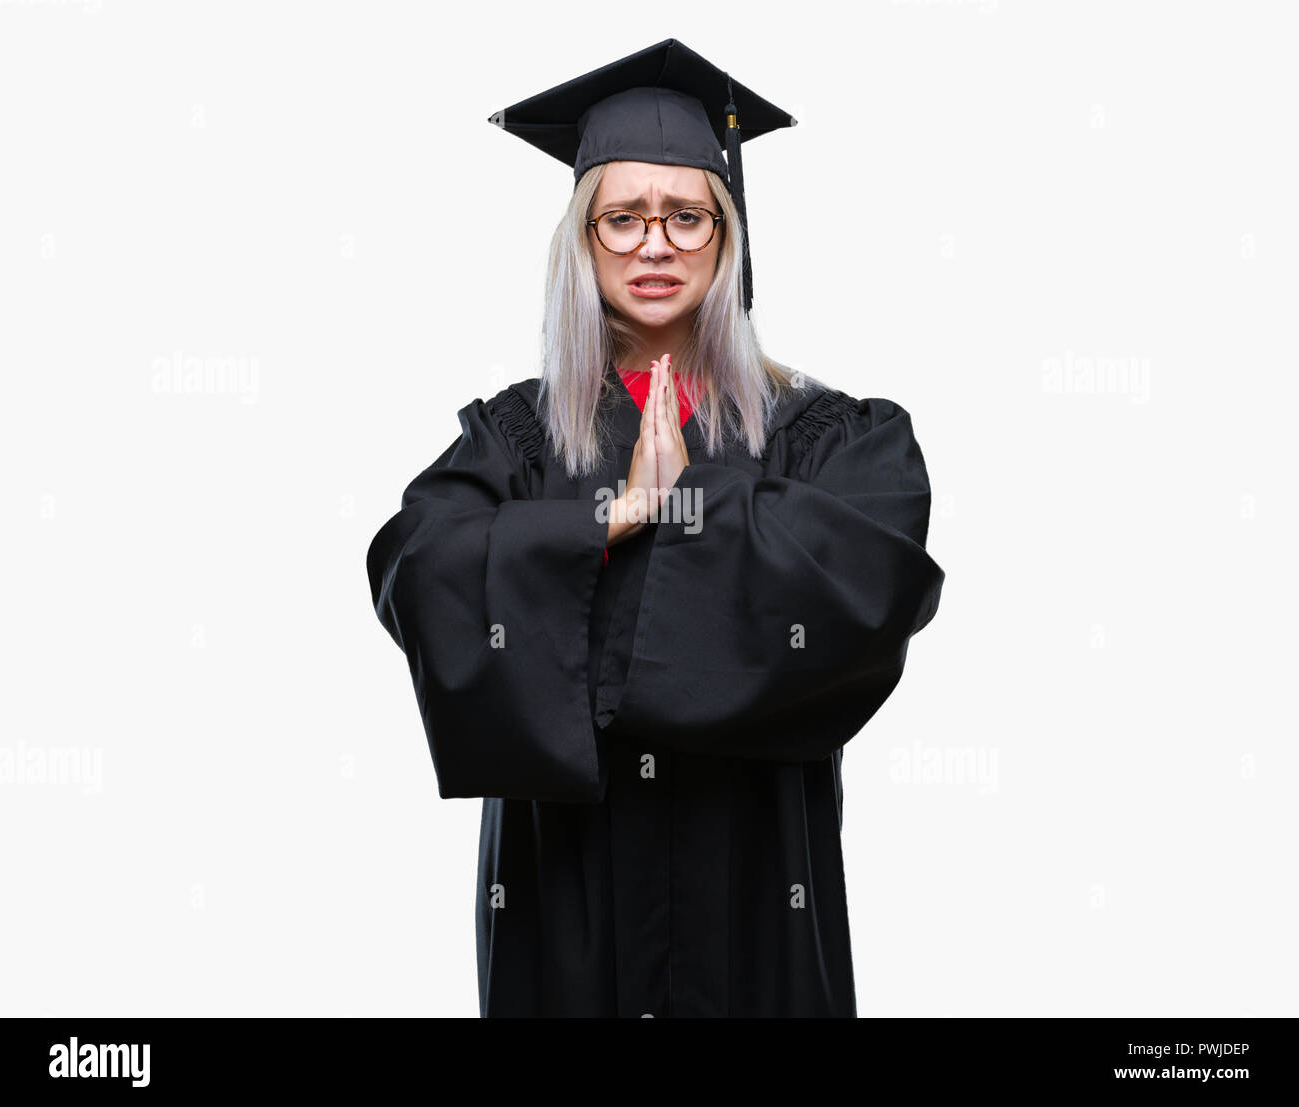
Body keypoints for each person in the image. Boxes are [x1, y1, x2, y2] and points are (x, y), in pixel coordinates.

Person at [365, 39, 946, 1017]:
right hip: (564, 898)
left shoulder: (826, 436)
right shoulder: (512, 433)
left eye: (686, 216)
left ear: (730, 240)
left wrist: (667, 525)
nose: (654, 242)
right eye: (621, 217)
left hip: (763, 897)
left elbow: (862, 589)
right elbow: (421, 572)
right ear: (581, 240)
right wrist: (609, 520)